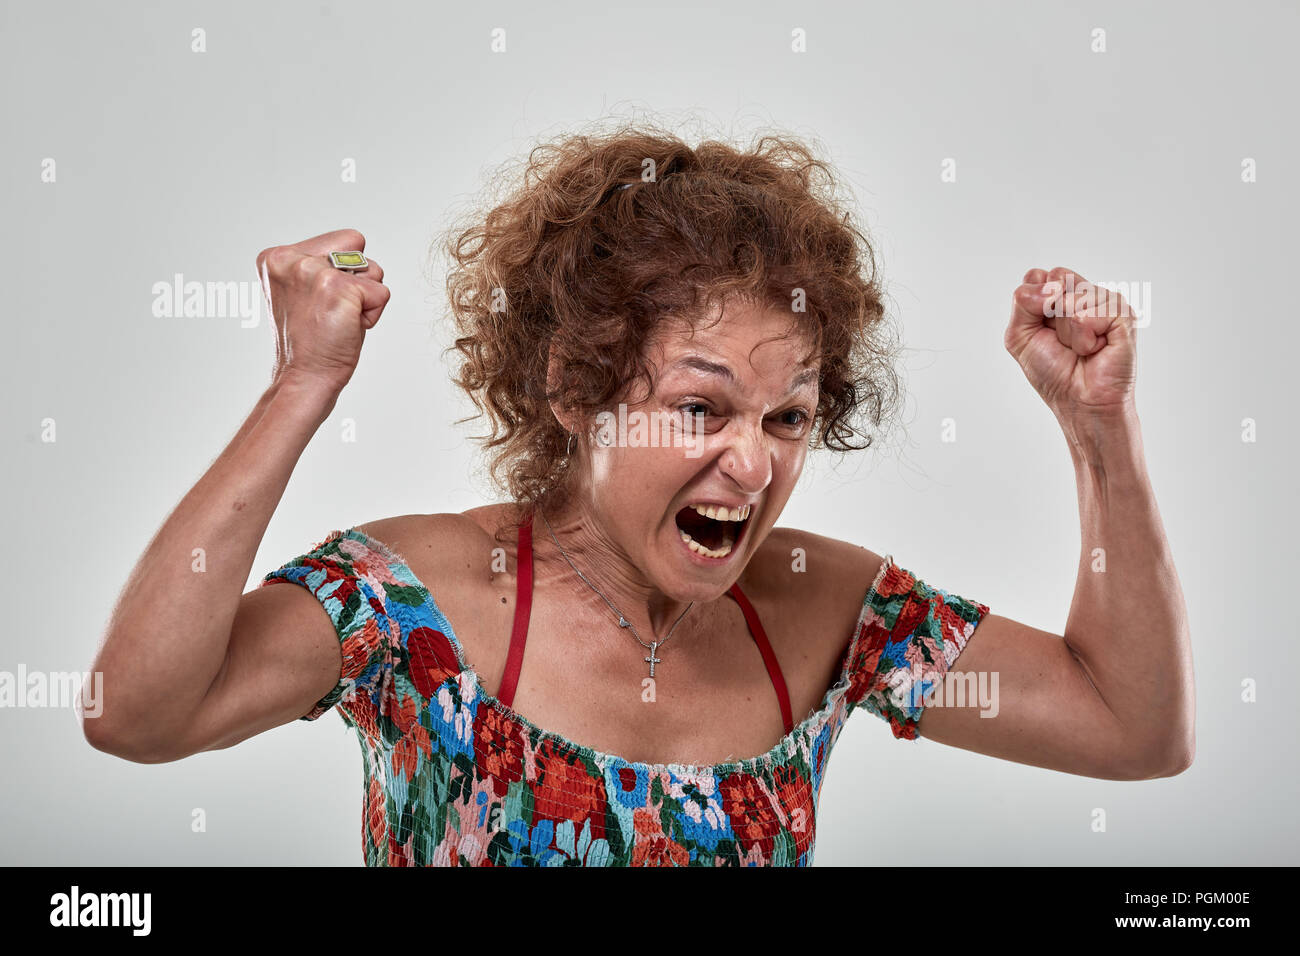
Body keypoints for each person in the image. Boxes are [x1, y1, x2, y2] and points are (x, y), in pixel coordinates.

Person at [83, 124, 1194, 866]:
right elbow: (136, 712)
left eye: (787, 416)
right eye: (700, 410)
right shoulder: (411, 602)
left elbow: (1131, 724)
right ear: (575, 389)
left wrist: (1099, 430)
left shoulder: (824, 614)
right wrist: (302, 383)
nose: (752, 467)